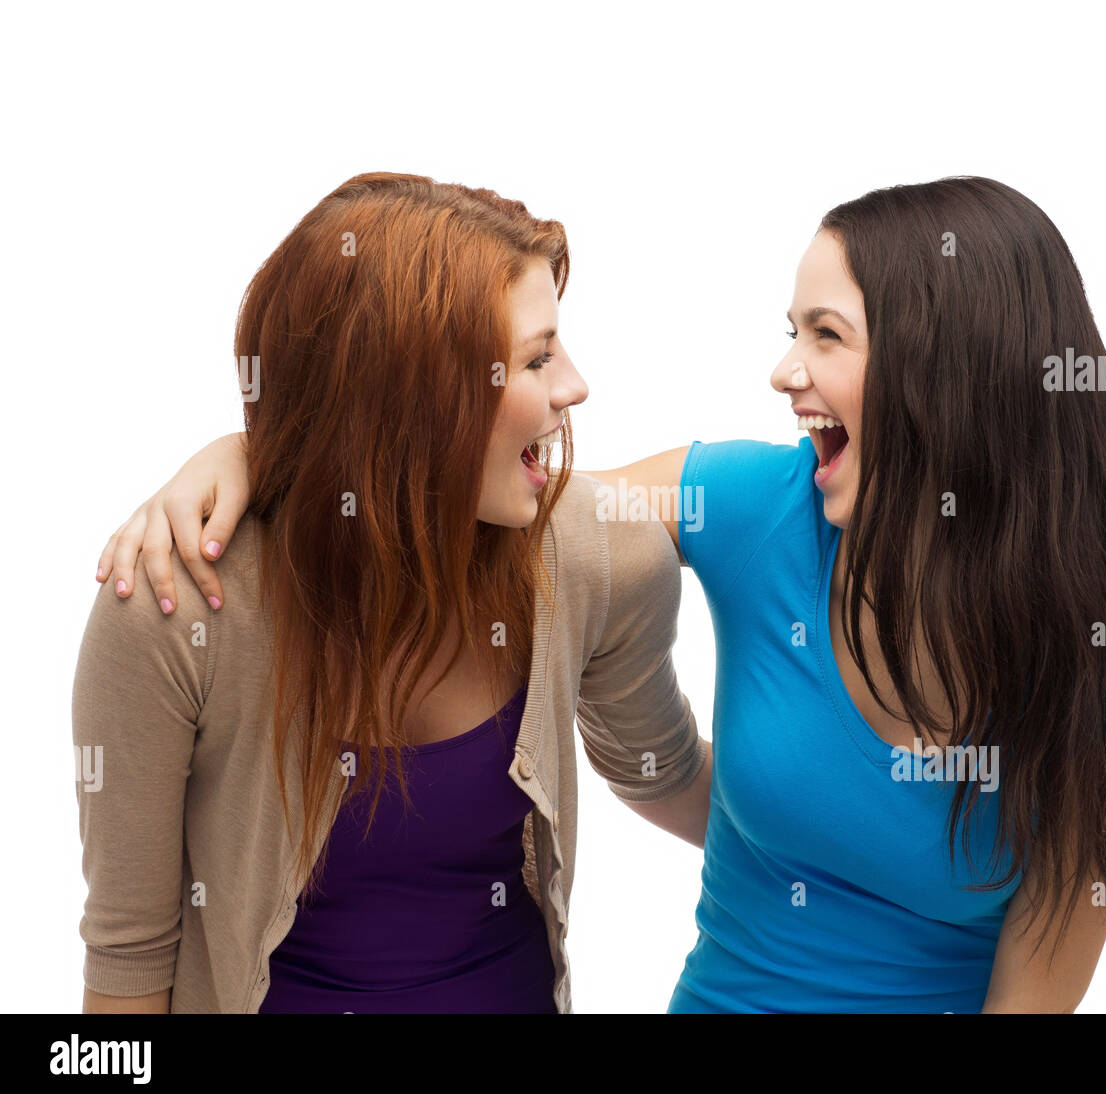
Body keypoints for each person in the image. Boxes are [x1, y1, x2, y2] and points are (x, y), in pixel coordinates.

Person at [100, 176, 1106, 1013]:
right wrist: (257, 457)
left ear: (947, 375)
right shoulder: (750, 508)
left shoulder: (1101, 667)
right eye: (792, 333)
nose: (784, 372)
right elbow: (477, 490)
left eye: (826, 336)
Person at [74, 171, 711, 1014]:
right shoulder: (174, 600)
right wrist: (251, 451)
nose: (574, 387)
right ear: (415, 398)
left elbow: (671, 778)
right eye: (536, 357)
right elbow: (127, 965)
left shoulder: (593, 553)